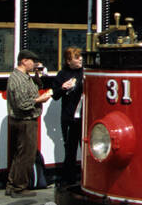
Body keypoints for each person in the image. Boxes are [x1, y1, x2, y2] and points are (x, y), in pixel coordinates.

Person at [5, 49, 53, 196]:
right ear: (24, 61)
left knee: (19, 154)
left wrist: (37, 75)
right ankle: (19, 187)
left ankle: (12, 184)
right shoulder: (18, 79)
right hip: (25, 121)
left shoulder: (25, 77)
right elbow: (23, 104)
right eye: (32, 61)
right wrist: (40, 99)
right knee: (26, 155)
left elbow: (36, 88)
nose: (34, 64)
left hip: (21, 120)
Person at [51, 47, 84, 185]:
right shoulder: (62, 74)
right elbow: (55, 96)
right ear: (68, 61)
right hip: (69, 118)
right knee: (70, 149)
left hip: (84, 118)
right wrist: (62, 88)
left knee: (87, 149)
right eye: (77, 57)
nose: (80, 59)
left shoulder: (86, 72)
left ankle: (87, 177)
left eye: (80, 56)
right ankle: (69, 178)